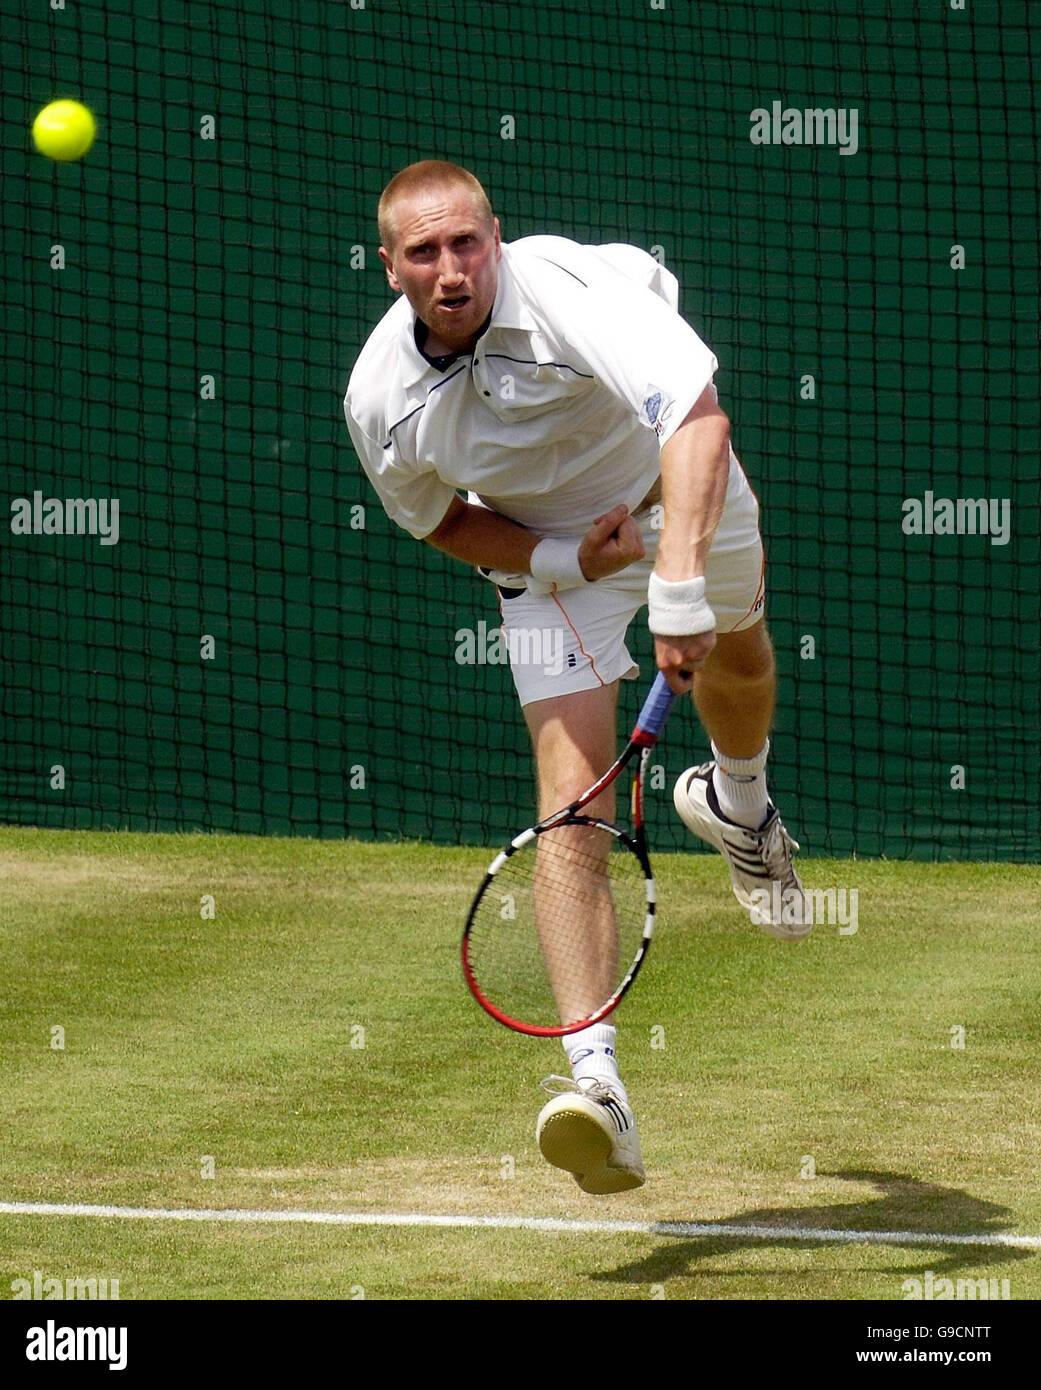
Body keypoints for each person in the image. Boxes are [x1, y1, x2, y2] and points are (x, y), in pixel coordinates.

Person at [345, 160, 809, 1195]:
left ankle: (740, 804)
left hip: (671, 482)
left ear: (494, 238)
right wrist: (563, 562)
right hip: (558, 551)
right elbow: (438, 519)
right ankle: (596, 1084)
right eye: (425, 252)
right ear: (392, 269)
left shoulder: (564, 294)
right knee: (571, 800)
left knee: (741, 656)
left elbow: (696, 418)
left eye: (468, 243)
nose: (453, 268)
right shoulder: (380, 399)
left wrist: (678, 592)